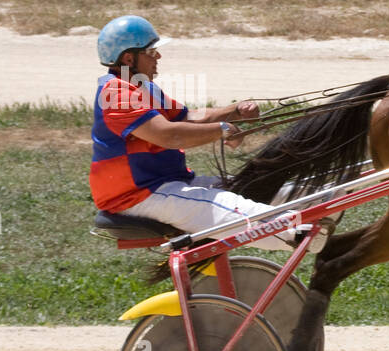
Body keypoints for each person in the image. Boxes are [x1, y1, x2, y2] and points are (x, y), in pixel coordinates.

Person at [89, 15, 323, 252]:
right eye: (151, 52)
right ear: (129, 58)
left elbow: (190, 117)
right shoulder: (116, 94)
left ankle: (317, 209)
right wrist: (221, 130)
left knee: (257, 188)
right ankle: (308, 234)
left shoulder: (142, 86)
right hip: (137, 195)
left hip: (167, 184)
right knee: (235, 208)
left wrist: (235, 111)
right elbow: (169, 136)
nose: (158, 56)